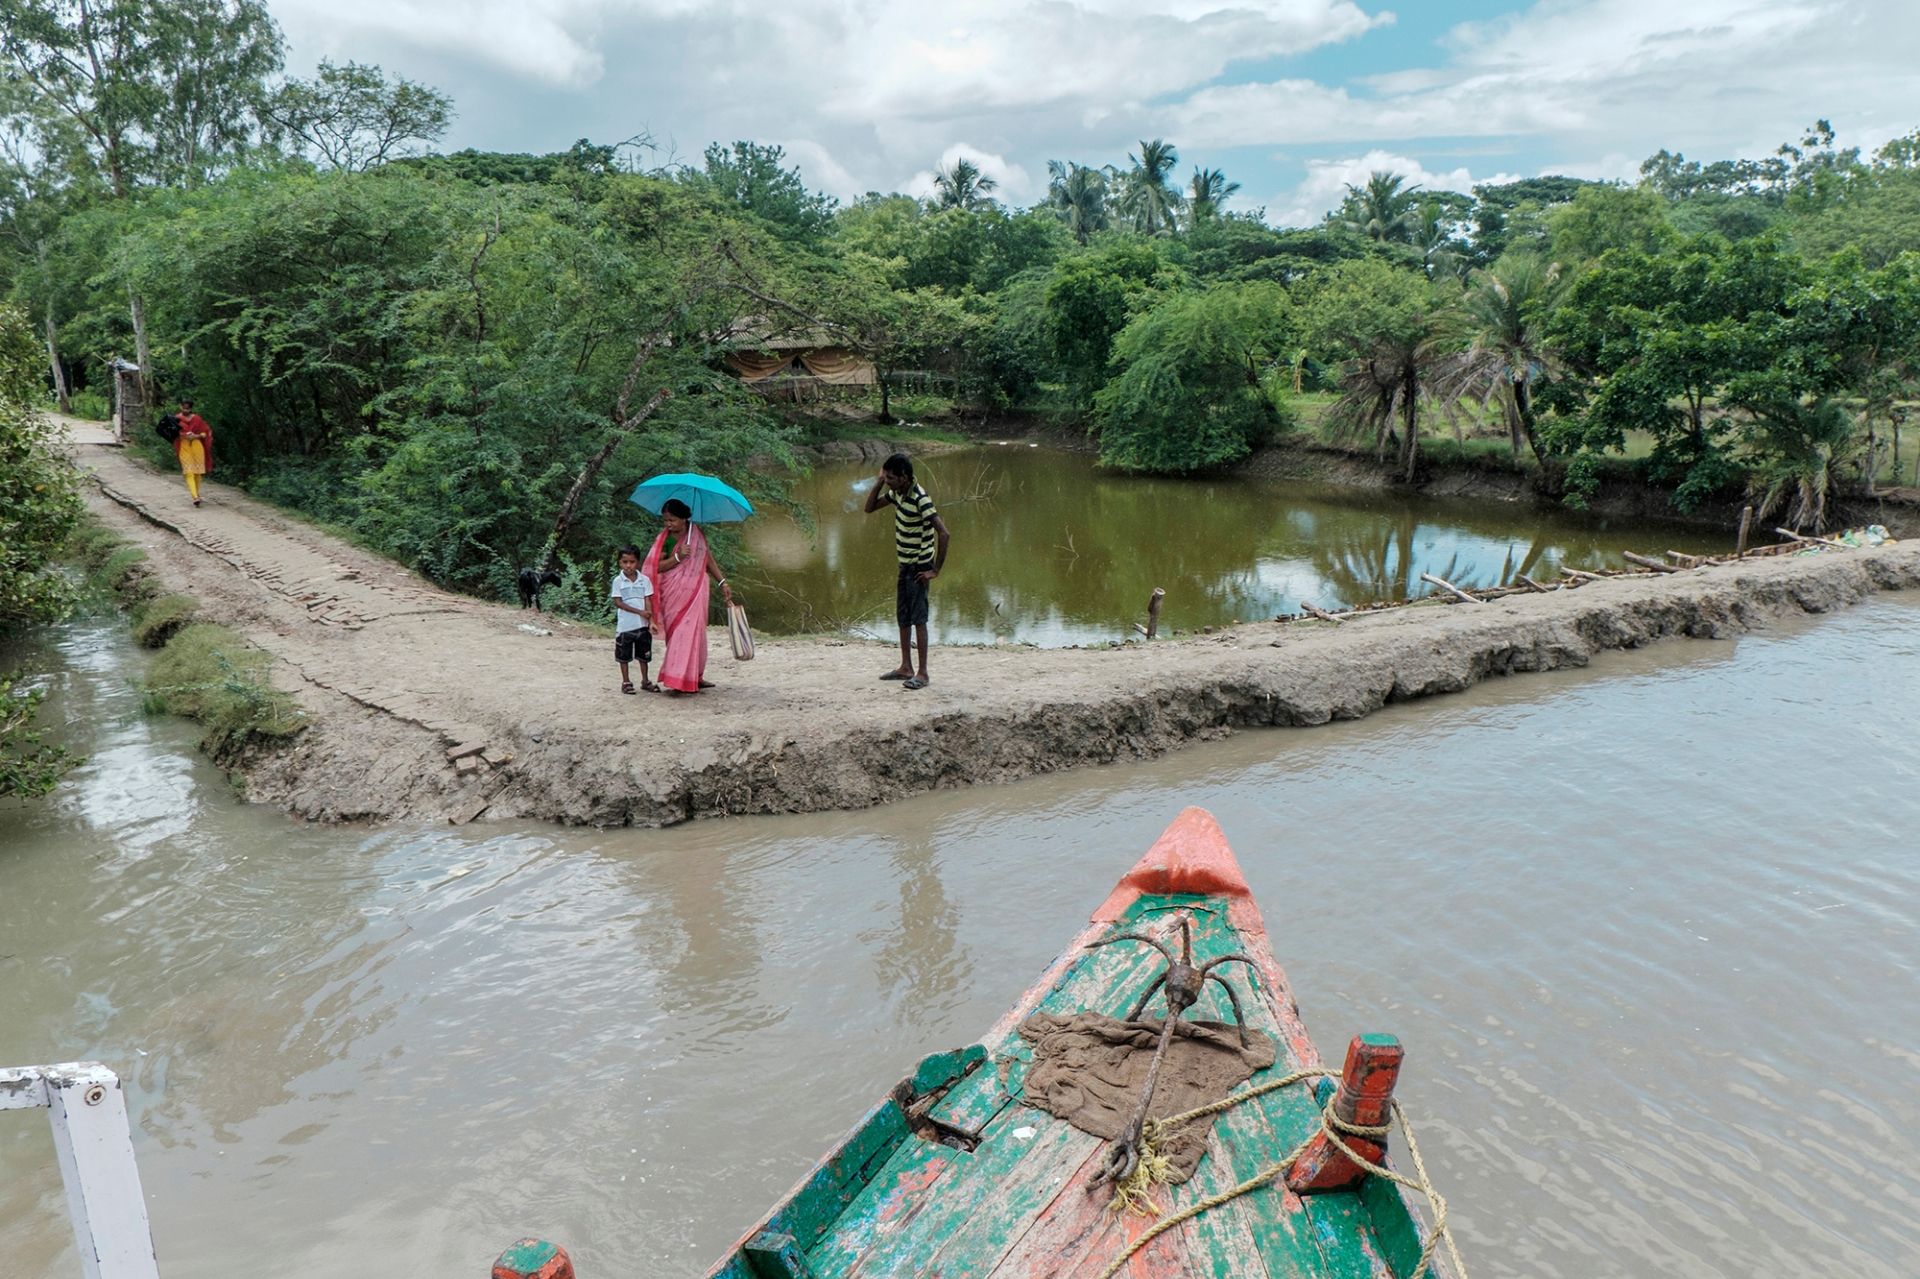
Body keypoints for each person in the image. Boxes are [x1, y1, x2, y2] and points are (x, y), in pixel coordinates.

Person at [864, 452, 950, 690]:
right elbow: (869, 508)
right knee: (903, 617)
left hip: (919, 568)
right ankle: (905, 667)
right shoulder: (897, 494)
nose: (888, 481)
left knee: (918, 619)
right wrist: (879, 482)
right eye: (887, 477)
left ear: (904, 477)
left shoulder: (921, 499)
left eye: (891, 478)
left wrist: (935, 570)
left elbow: (944, 533)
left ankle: (922, 674)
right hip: (904, 565)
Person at [643, 498, 734, 695]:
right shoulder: (665, 539)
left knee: (695, 633)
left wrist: (722, 582)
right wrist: (677, 557)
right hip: (673, 593)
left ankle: (695, 676)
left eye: (672, 520)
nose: (668, 524)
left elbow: (707, 559)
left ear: (684, 518)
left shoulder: (697, 535)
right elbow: (656, 566)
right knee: (679, 634)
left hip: (696, 590)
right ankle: (676, 679)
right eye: (665, 520)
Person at [610, 545, 656, 694]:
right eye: (625, 562)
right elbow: (618, 603)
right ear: (619, 562)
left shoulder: (644, 580)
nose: (628, 565)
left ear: (638, 562)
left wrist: (651, 620)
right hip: (625, 626)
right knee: (624, 656)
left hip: (642, 626)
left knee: (644, 656)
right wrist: (639, 611)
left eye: (632, 562)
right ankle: (626, 681)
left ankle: (645, 680)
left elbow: (648, 599)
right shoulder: (618, 581)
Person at [174, 399, 212, 507]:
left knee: (197, 472)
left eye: (188, 408)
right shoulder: (176, 419)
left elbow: (205, 432)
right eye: (183, 407)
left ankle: (196, 493)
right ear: (180, 407)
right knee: (188, 471)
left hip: (196, 446)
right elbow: (172, 433)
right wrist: (182, 435)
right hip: (184, 446)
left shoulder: (197, 419)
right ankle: (195, 496)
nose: (185, 410)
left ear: (191, 408)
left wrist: (197, 436)